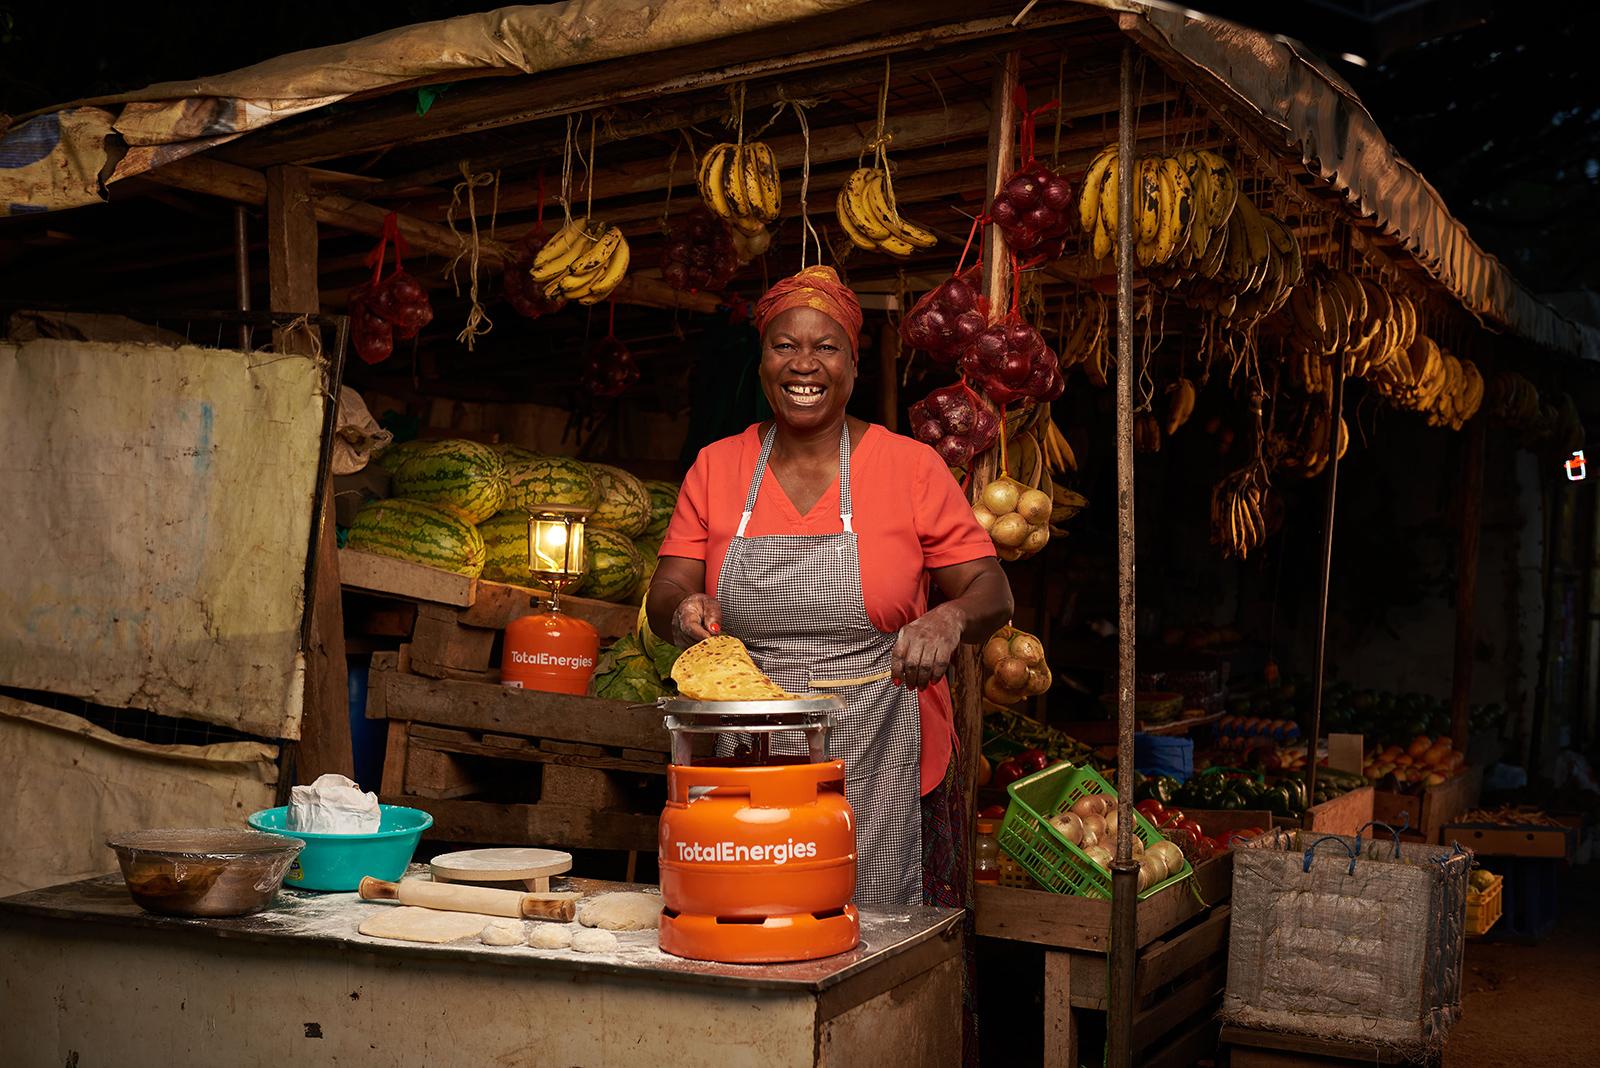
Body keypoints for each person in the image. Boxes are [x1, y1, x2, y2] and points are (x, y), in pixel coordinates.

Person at [647, 265, 1014, 909]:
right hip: (746, 752)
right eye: (784, 345)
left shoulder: (910, 467)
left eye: (826, 347)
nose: (803, 365)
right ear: (762, 360)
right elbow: (665, 591)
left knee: (883, 953)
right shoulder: (717, 466)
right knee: (751, 931)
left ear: (853, 362)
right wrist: (684, 607)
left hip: (885, 749)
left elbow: (990, 588)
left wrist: (947, 621)